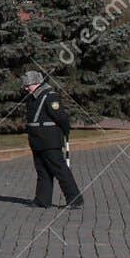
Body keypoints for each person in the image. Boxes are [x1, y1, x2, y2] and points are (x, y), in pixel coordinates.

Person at [22, 70, 83, 210]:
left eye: (28, 85)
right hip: (37, 140)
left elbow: (61, 117)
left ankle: (75, 199)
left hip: (49, 140)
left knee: (60, 170)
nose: (26, 88)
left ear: (37, 83)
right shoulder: (32, 98)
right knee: (42, 171)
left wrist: (65, 131)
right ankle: (42, 200)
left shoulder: (50, 96)